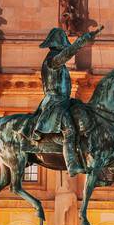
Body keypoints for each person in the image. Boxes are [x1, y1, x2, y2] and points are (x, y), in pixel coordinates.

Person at [24, 25, 102, 175]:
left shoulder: (56, 61)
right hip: (55, 103)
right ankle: (72, 164)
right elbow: (66, 55)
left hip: (64, 101)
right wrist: (82, 41)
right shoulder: (52, 60)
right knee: (70, 130)